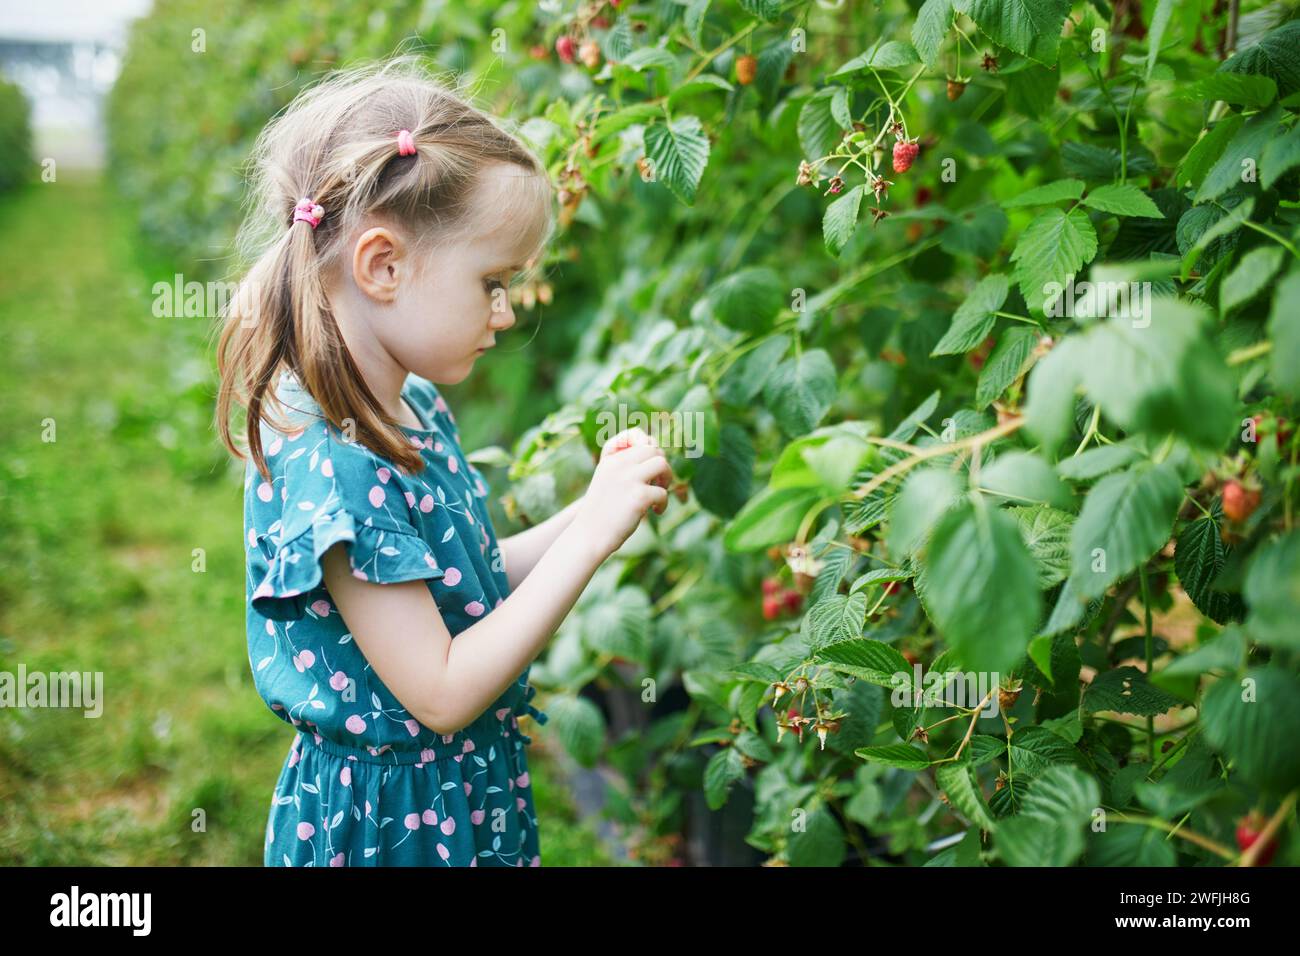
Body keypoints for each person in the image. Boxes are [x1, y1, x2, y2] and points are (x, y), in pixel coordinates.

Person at [214, 57, 673, 866]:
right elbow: (445, 690)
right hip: (393, 828)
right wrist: (591, 535)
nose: (505, 311)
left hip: (456, 800)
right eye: (492, 280)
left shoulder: (411, 407)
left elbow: (465, 582)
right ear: (382, 265)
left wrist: (598, 511)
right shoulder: (336, 464)